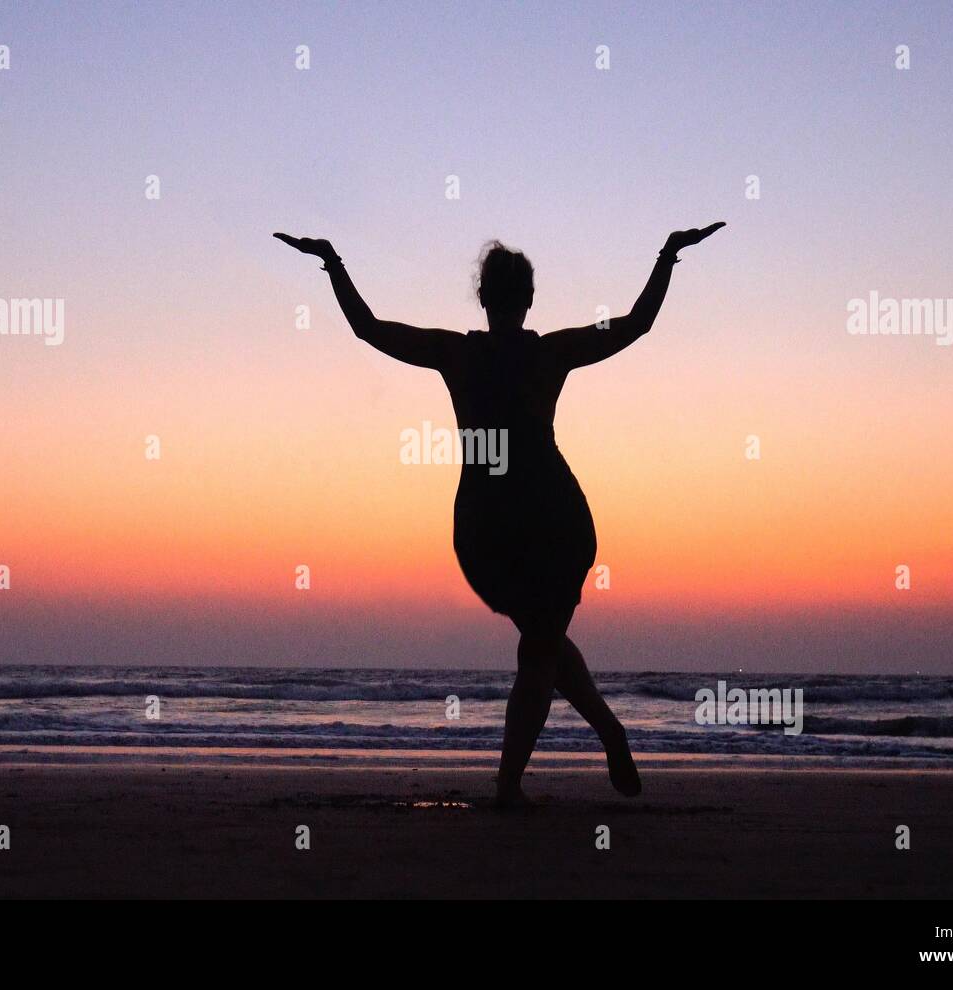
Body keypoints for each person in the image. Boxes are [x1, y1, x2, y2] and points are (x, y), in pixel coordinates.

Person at [275, 222, 725, 806]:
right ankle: (604, 735)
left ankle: (513, 783)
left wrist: (332, 262)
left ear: (482, 297)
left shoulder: (458, 353)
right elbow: (636, 324)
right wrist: (667, 254)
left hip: (493, 520)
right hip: (547, 514)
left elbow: (368, 329)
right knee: (542, 643)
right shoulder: (548, 352)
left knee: (537, 647)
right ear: (529, 298)